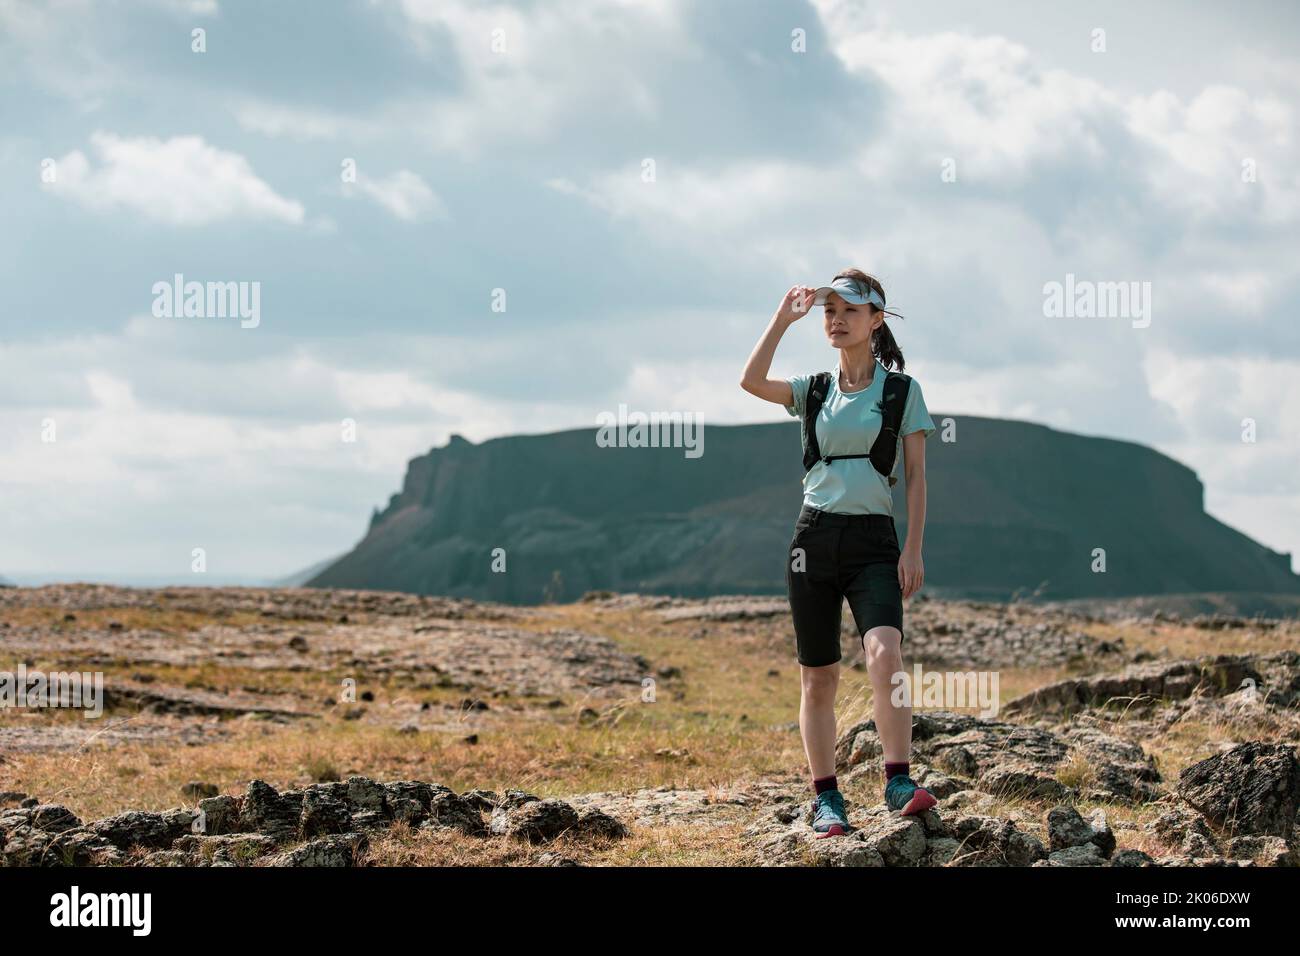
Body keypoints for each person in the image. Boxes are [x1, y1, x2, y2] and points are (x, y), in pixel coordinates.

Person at [740, 269, 937, 837]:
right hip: (813, 541)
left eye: (849, 310)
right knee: (818, 678)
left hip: (876, 541)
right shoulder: (814, 389)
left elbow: (918, 477)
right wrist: (783, 319)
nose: (836, 319)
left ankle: (897, 780)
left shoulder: (902, 392)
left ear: (876, 319)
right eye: (829, 311)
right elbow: (751, 382)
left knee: (885, 656)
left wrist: (914, 548)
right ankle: (827, 798)